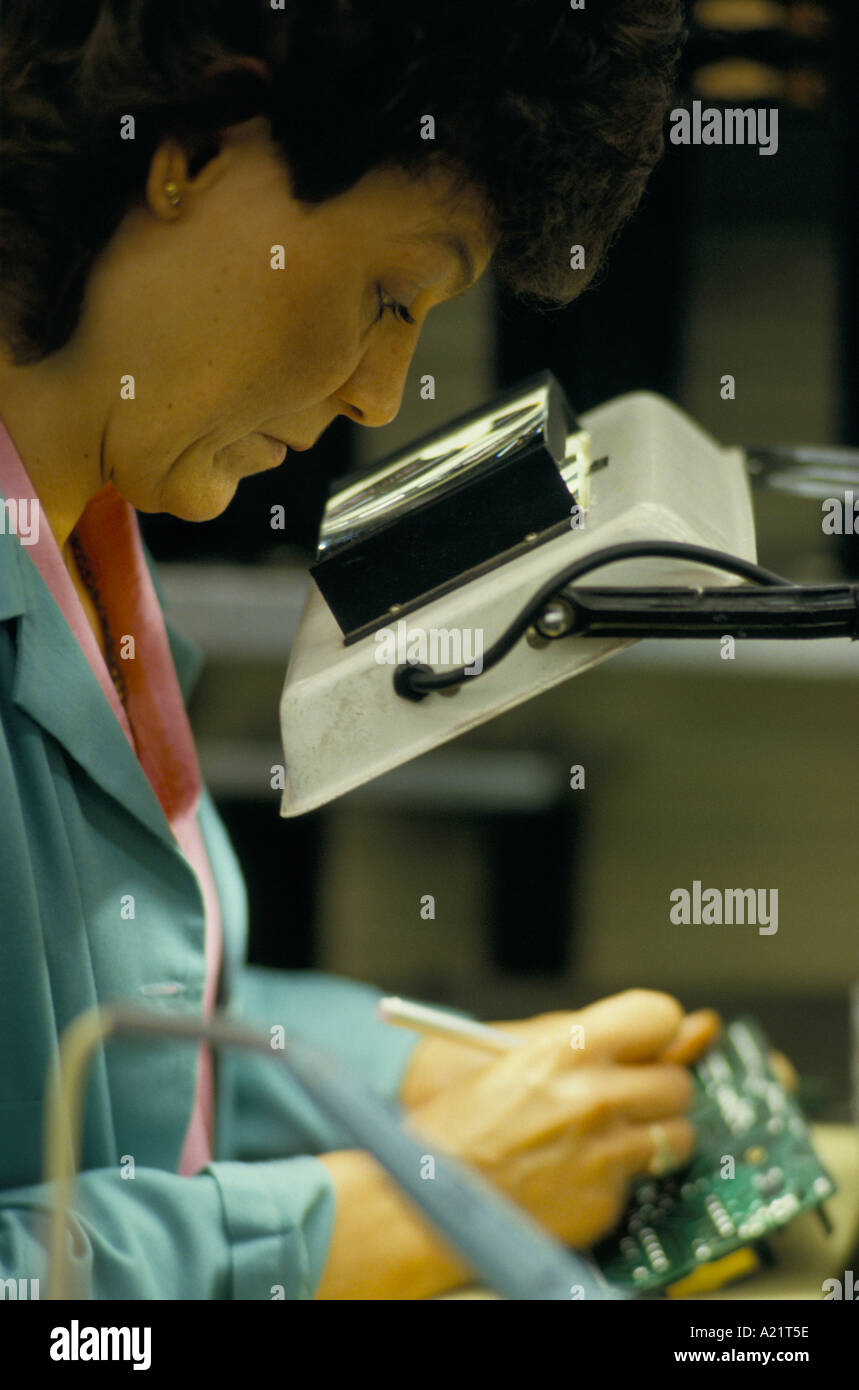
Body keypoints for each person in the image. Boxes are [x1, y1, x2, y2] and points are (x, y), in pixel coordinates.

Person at [0, 0, 718, 1300]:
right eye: (394, 295)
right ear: (197, 150)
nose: (382, 396)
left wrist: (450, 1083)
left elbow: (127, 1055)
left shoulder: (82, 530)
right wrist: (403, 1204)